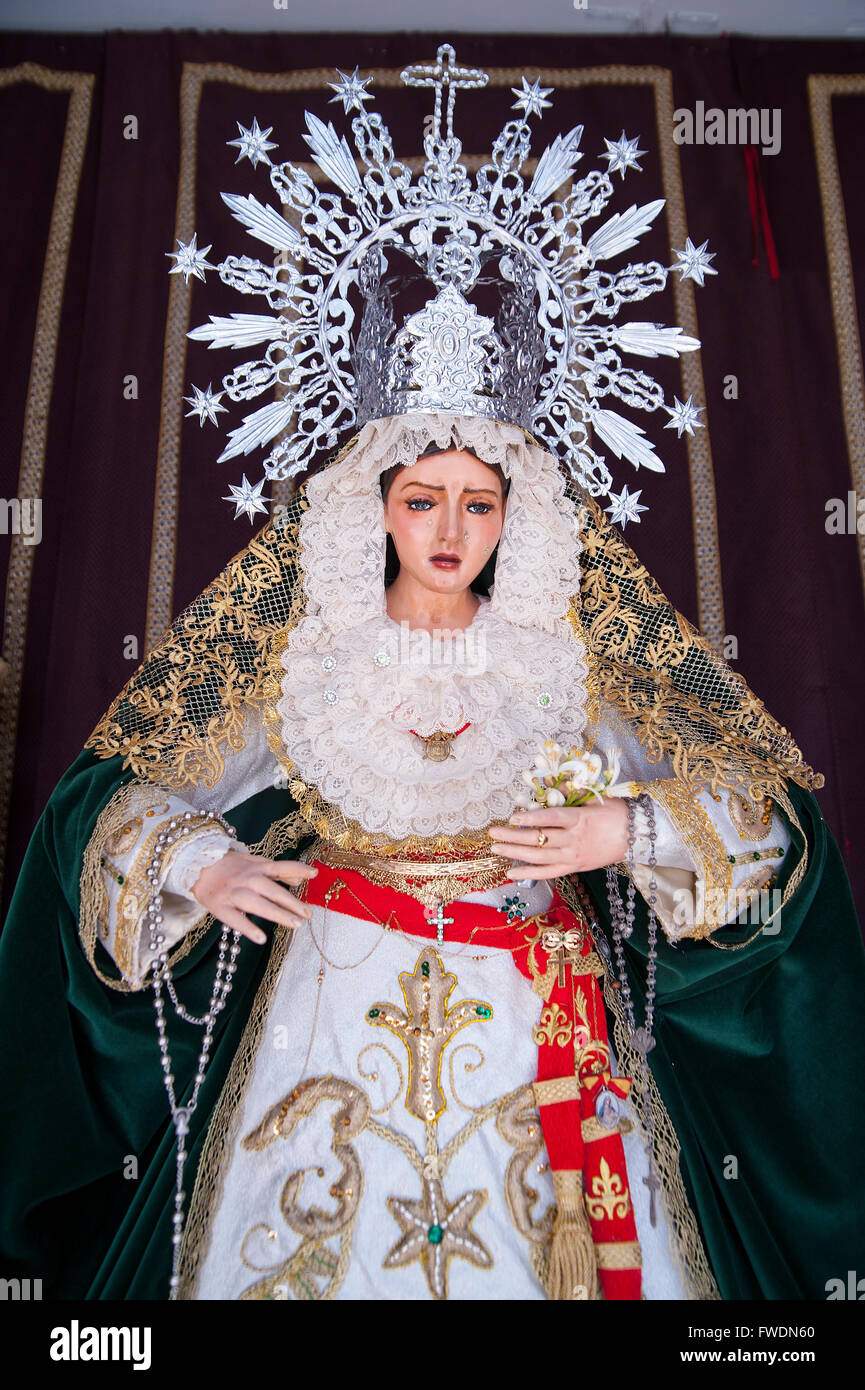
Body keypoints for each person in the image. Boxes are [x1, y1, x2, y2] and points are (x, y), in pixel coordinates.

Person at [2, 45, 863, 1303]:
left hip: (539, 1014)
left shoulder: (565, 655)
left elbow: (769, 820)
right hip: (331, 1000)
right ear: (378, 508)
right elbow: (105, 806)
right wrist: (206, 861)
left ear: (517, 513)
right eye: (422, 499)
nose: (450, 529)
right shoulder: (309, 651)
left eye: (477, 501)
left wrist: (627, 826)